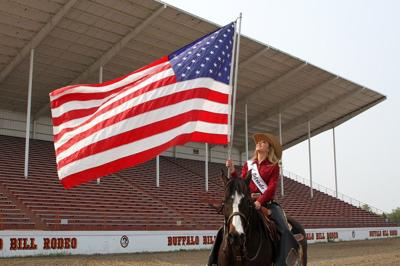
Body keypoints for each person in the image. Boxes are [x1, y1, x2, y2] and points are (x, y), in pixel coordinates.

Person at [207, 133, 299, 266]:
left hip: (267, 204)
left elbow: (271, 188)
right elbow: (242, 183)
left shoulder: (273, 166)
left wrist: (260, 201)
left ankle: (282, 262)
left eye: (263, 142)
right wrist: (233, 171)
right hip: (248, 203)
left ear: (269, 148)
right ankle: (213, 261)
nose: (259, 143)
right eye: (259, 142)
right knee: (224, 228)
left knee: (284, 229)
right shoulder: (248, 164)